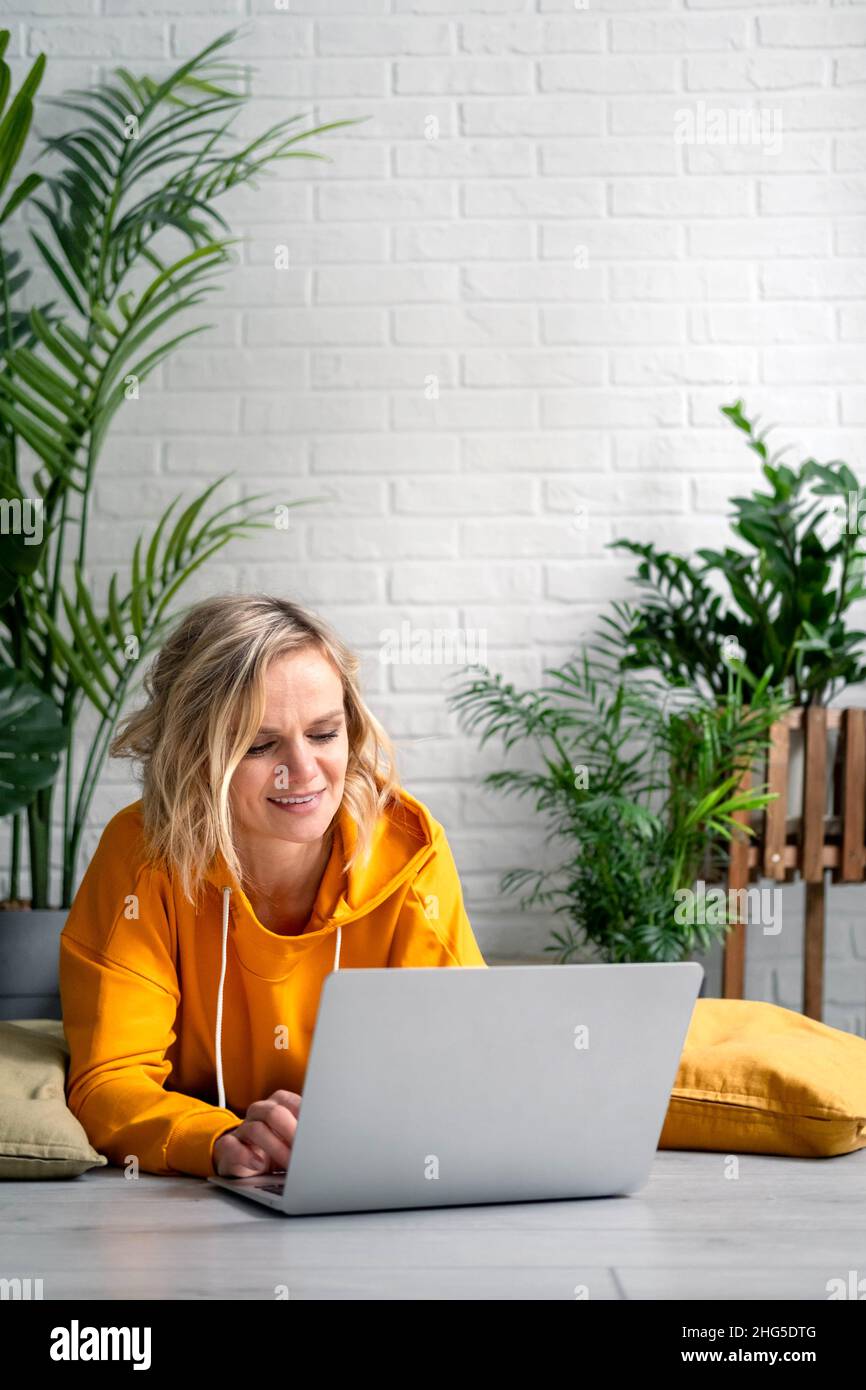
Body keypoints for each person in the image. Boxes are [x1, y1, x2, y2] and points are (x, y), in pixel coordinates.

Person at [59, 594, 487, 1180]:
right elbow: (110, 1080)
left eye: (324, 733)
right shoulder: (140, 854)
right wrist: (219, 1139)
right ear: (195, 754)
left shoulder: (409, 850)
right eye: (260, 745)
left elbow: (467, 1058)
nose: (303, 770)